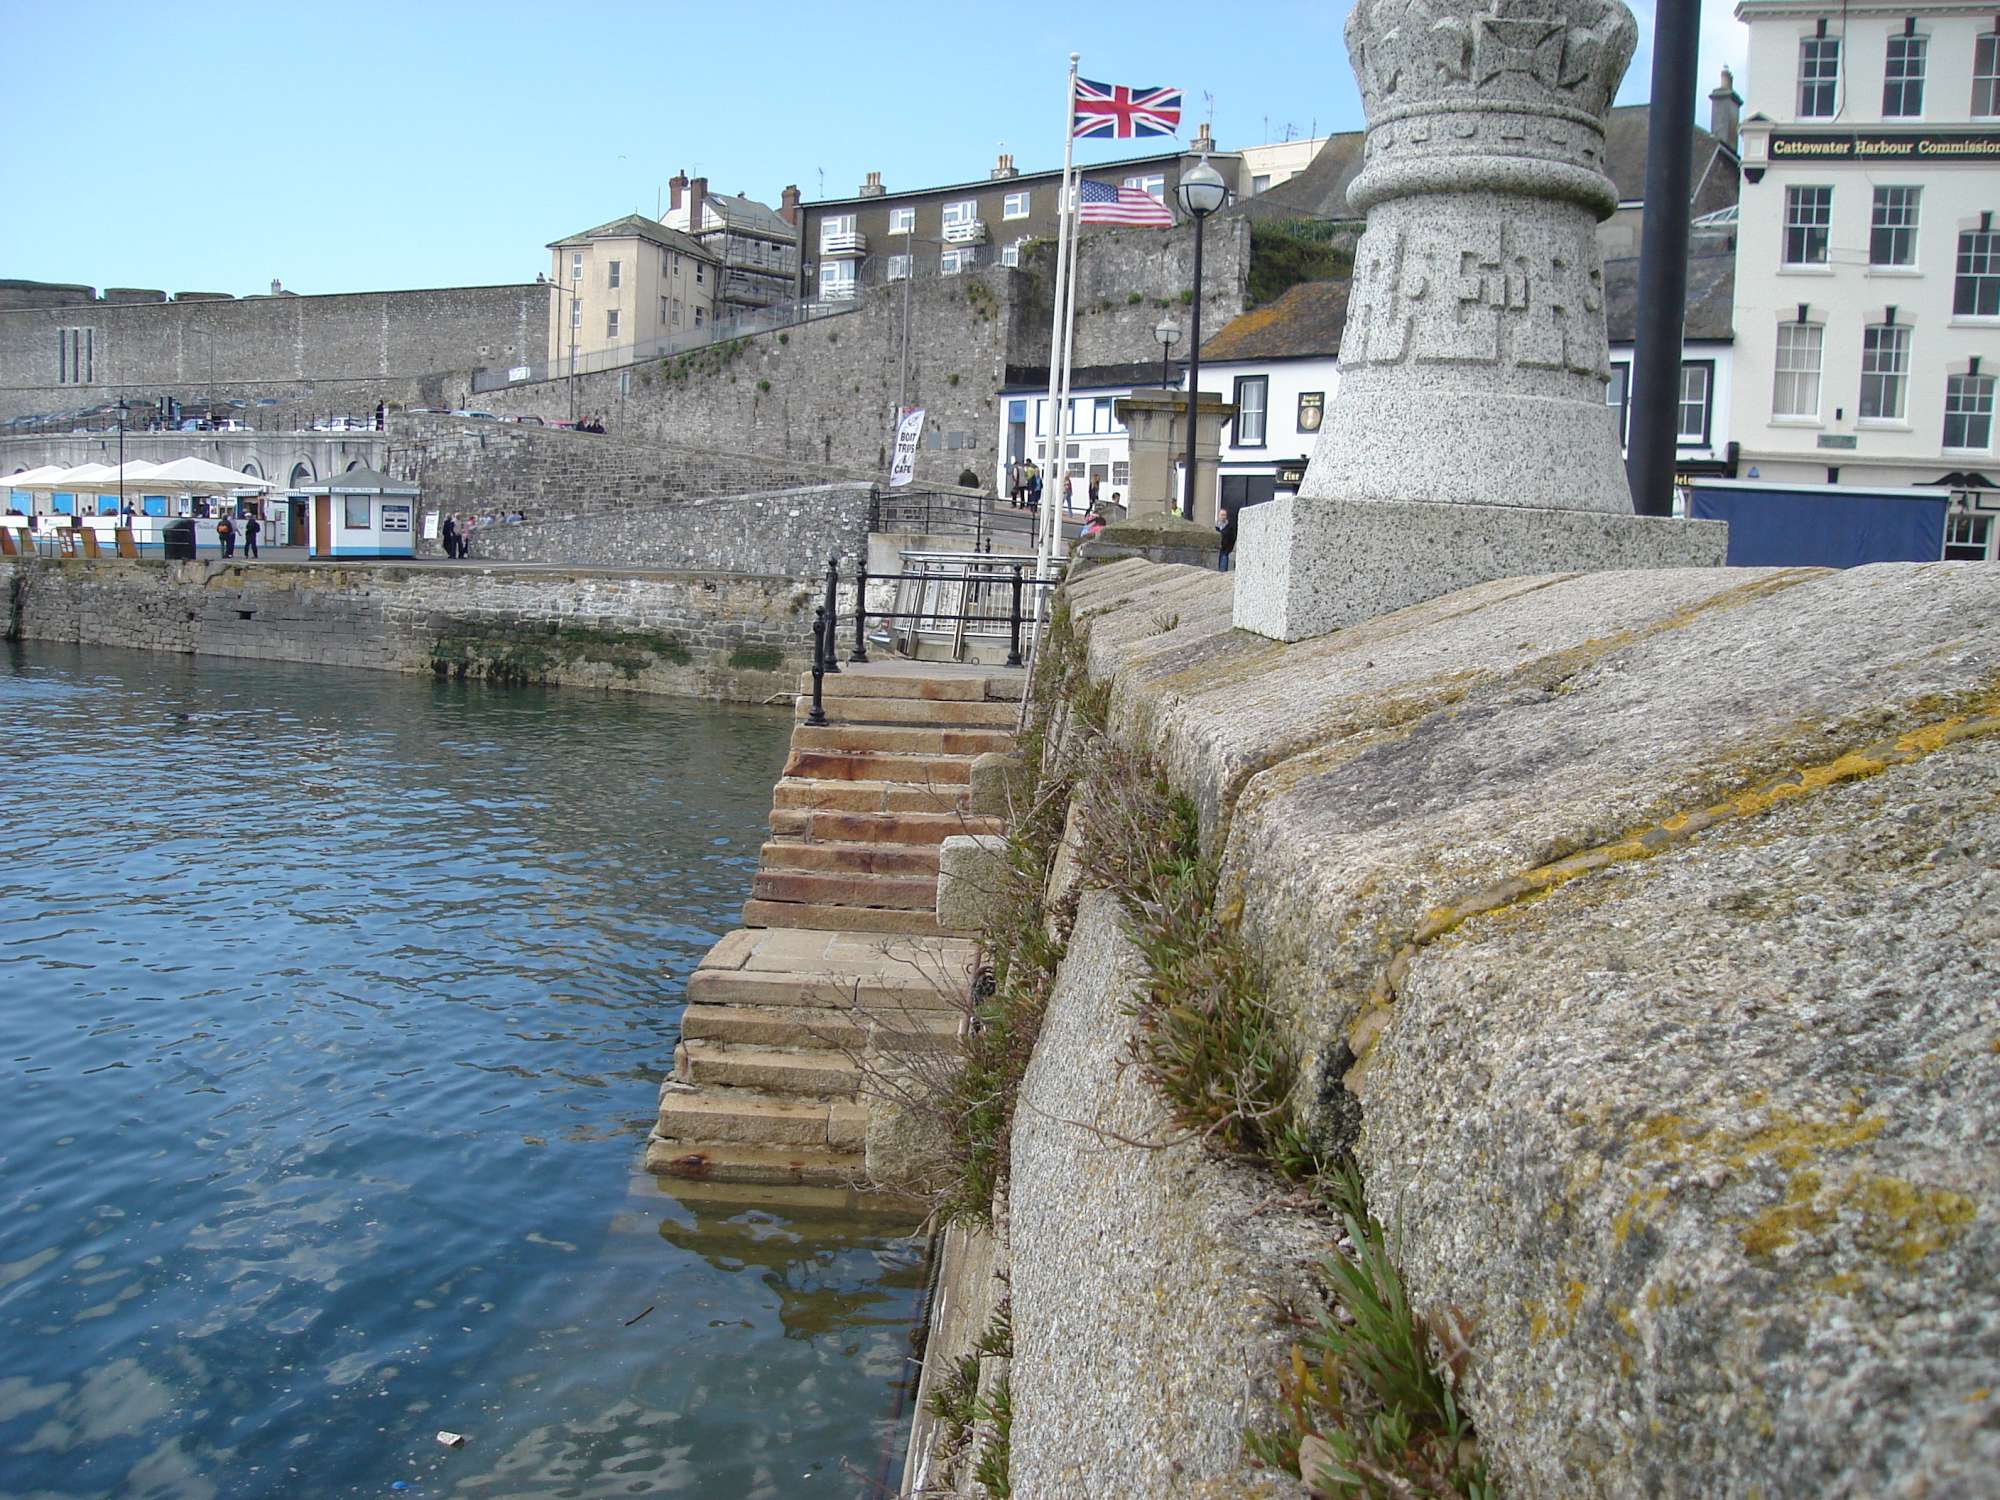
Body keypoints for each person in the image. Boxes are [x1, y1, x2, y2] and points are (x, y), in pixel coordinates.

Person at [1216, 502, 1239, 573]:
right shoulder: (1215, 526)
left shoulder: (1229, 527)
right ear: (1219, 516)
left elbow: (1233, 538)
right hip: (1216, 550)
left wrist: (1229, 549)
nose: (1223, 516)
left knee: (1223, 569)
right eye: (1222, 515)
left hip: (1225, 550)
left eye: (1224, 515)